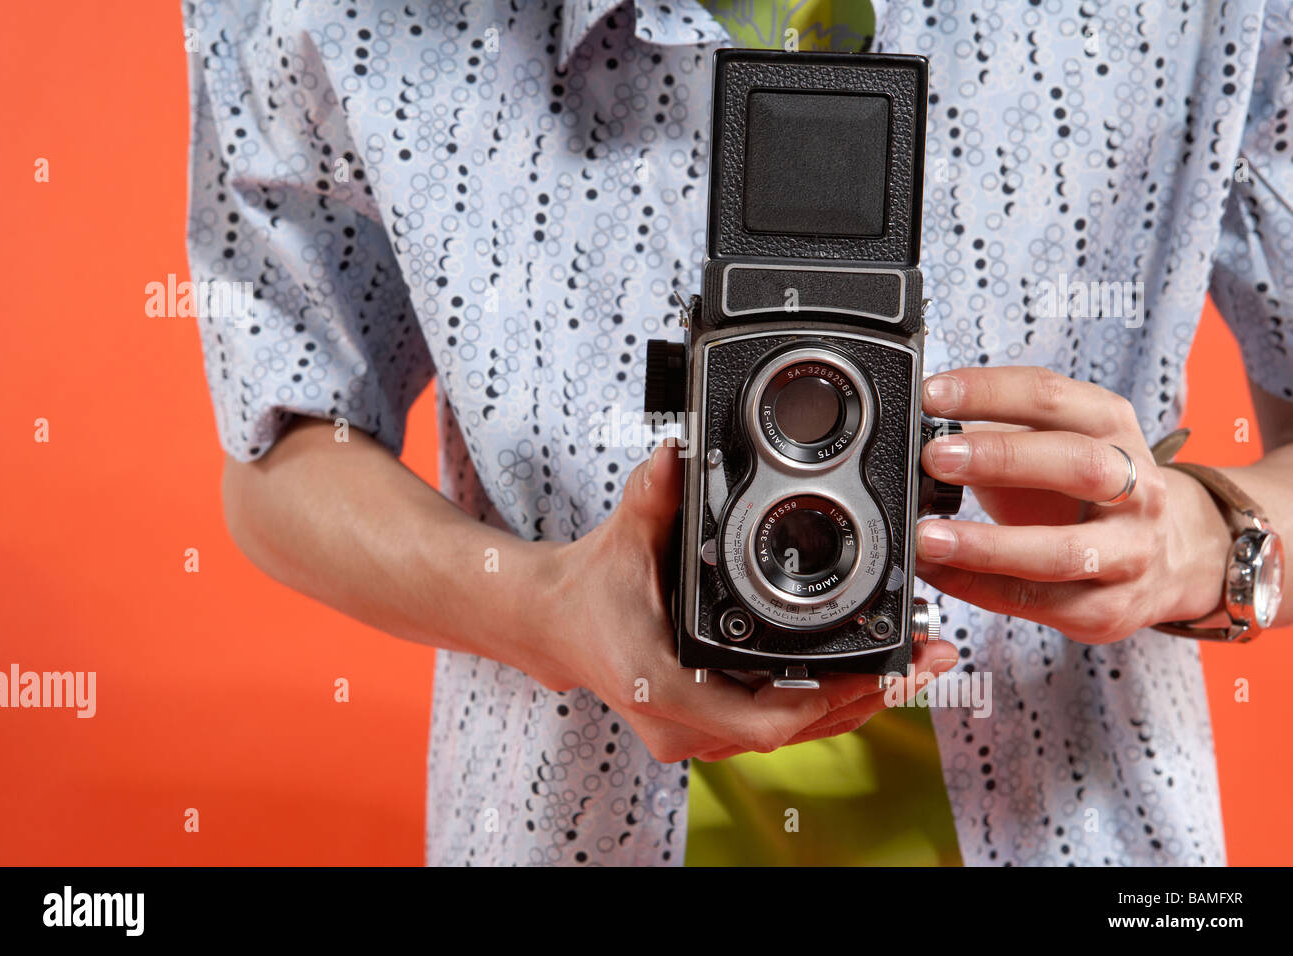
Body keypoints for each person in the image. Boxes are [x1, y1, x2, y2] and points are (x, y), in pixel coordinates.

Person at [183, 0, 1293, 866]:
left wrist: (1205, 542)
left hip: (1081, 819)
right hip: (568, 820)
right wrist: (541, 610)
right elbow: (282, 445)